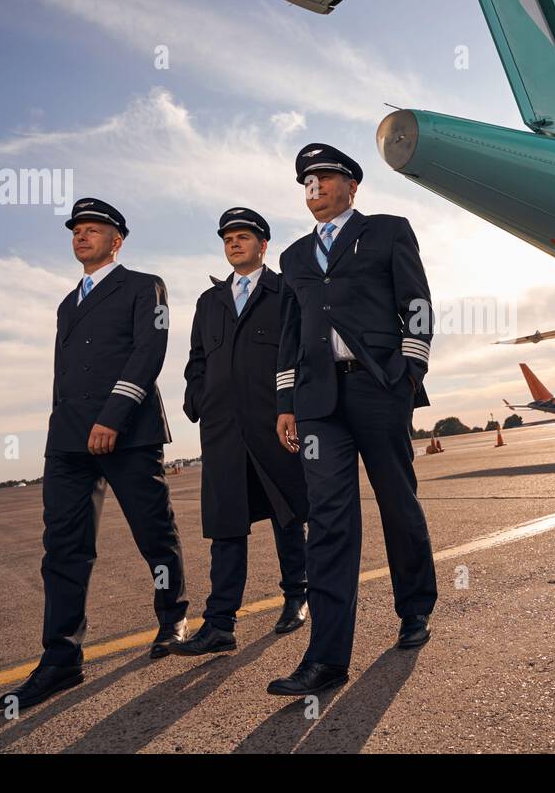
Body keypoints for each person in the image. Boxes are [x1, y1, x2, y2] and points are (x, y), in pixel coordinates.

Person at [0, 198, 188, 713]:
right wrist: (62, 431)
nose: (82, 236)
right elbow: (65, 375)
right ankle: (61, 659)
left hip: (126, 431)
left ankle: (172, 615)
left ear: (116, 240)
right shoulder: (67, 303)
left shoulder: (145, 285)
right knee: (63, 548)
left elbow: (149, 351)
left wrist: (113, 415)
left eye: (93, 229)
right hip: (67, 442)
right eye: (77, 230)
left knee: (153, 531)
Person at [267, 143, 437, 698]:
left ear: (351, 185)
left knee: (397, 501)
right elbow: (290, 334)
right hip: (318, 402)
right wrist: (285, 402)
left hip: (378, 387)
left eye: (323, 177)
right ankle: (326, 658)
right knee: (331, 521)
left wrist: (410, 369)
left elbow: (417, 301)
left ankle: (414, 608)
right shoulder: (292, 257)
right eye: (306, 182)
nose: (313, 188)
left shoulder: (388, 231)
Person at [174, 207, 309, 655]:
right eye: (228, 238)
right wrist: (198, 399)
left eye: (244, 237)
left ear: (263, 244)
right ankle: (219, 624)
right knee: (226, 524)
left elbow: (299, 350)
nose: (234, 243)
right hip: (222, 431)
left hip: (273, 424)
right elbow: (196, 359)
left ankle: (297, 595)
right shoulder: (208, 303)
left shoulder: (283, 290)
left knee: (286, 513)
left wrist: (293, 407)